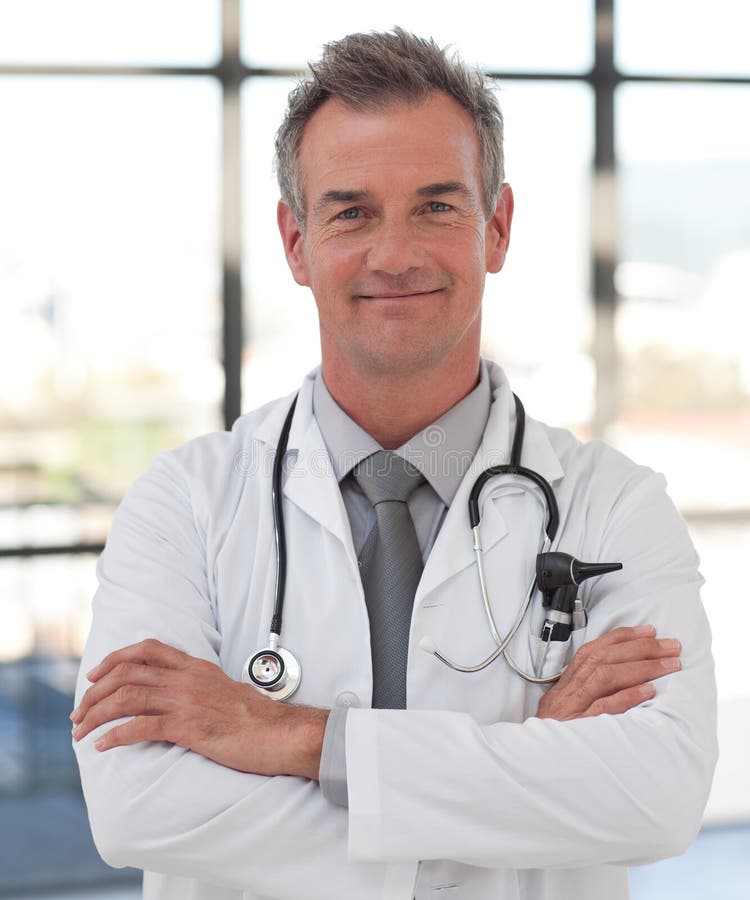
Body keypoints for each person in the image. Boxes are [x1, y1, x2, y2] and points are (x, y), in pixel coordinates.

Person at [71, 29, 717, 900]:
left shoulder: (618, 507)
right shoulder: (183, 503)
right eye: (351, 212)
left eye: (437, 207)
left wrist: (294, 738)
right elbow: (139, 806)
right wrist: (525, 784)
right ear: (296, 243)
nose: (395, 254)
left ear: (497, 227)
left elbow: (655, 796)